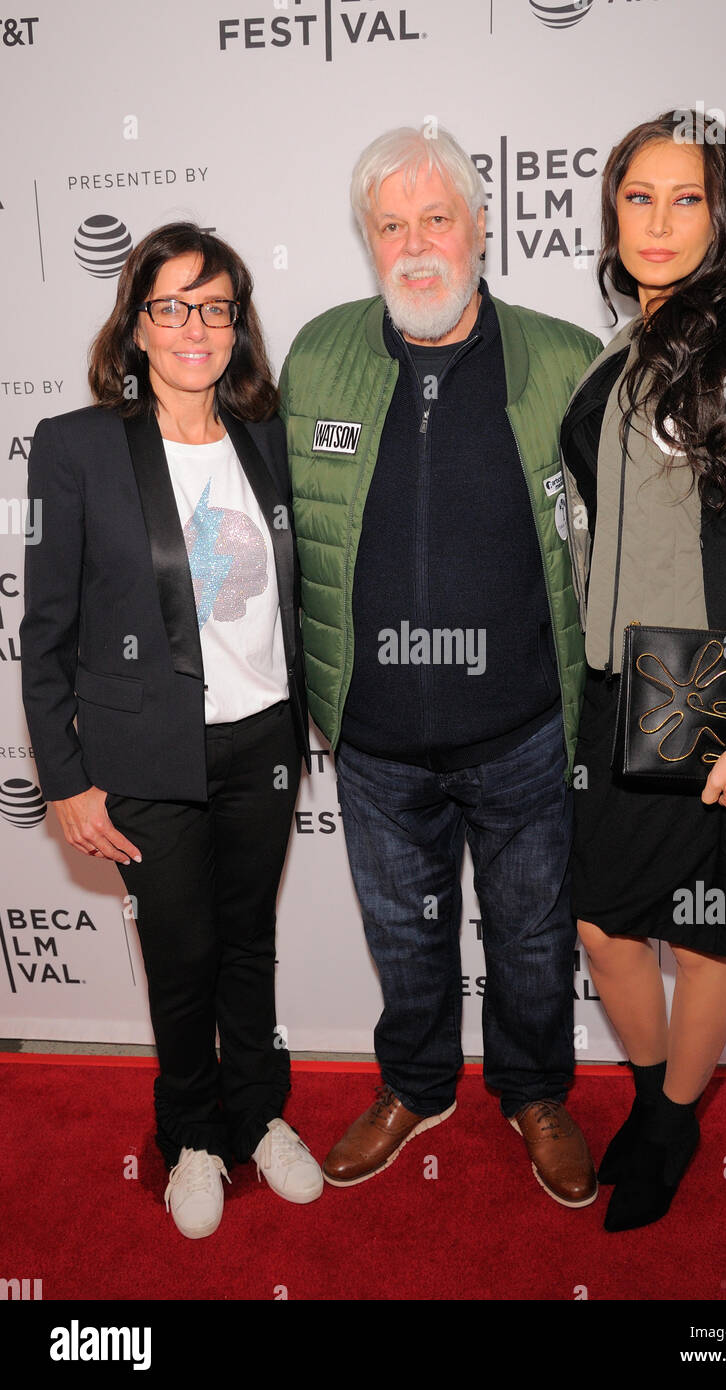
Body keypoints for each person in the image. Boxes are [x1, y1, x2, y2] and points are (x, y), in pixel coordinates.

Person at [279, 125, 603, 1207]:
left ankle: (534, 1091)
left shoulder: (561, 356)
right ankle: (415, 1084)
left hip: (522, 731)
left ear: (477, 226)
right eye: (390, 226)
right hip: (373, 744)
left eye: (436, 219)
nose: (416, 245)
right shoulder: (318, 354)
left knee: (528, 936)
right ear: (366, 242)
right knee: (404, 941)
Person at [21, 222, 322, 1238]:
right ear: (137, 324)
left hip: (266, 742)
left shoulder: (267, 438)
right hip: (149, 753)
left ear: (238, 326)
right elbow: (45, 628)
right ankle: (191, 1134)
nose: (195, 326)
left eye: (216, 307)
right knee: (182, 952)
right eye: (172, 305)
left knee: (250, 946)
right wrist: (63, 779)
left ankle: (258, 1113)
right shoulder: (76, 448)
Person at [561, 111, 726, 1231]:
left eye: (685, 198)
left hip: (706, 688)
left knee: (705, 925)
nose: (657, 222)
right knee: (606, 924)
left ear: (724, 213)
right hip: (618, 684)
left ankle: (670, 1117)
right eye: (636, 197)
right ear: (612, 212)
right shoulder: (623, 342)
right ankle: (658, 1090)